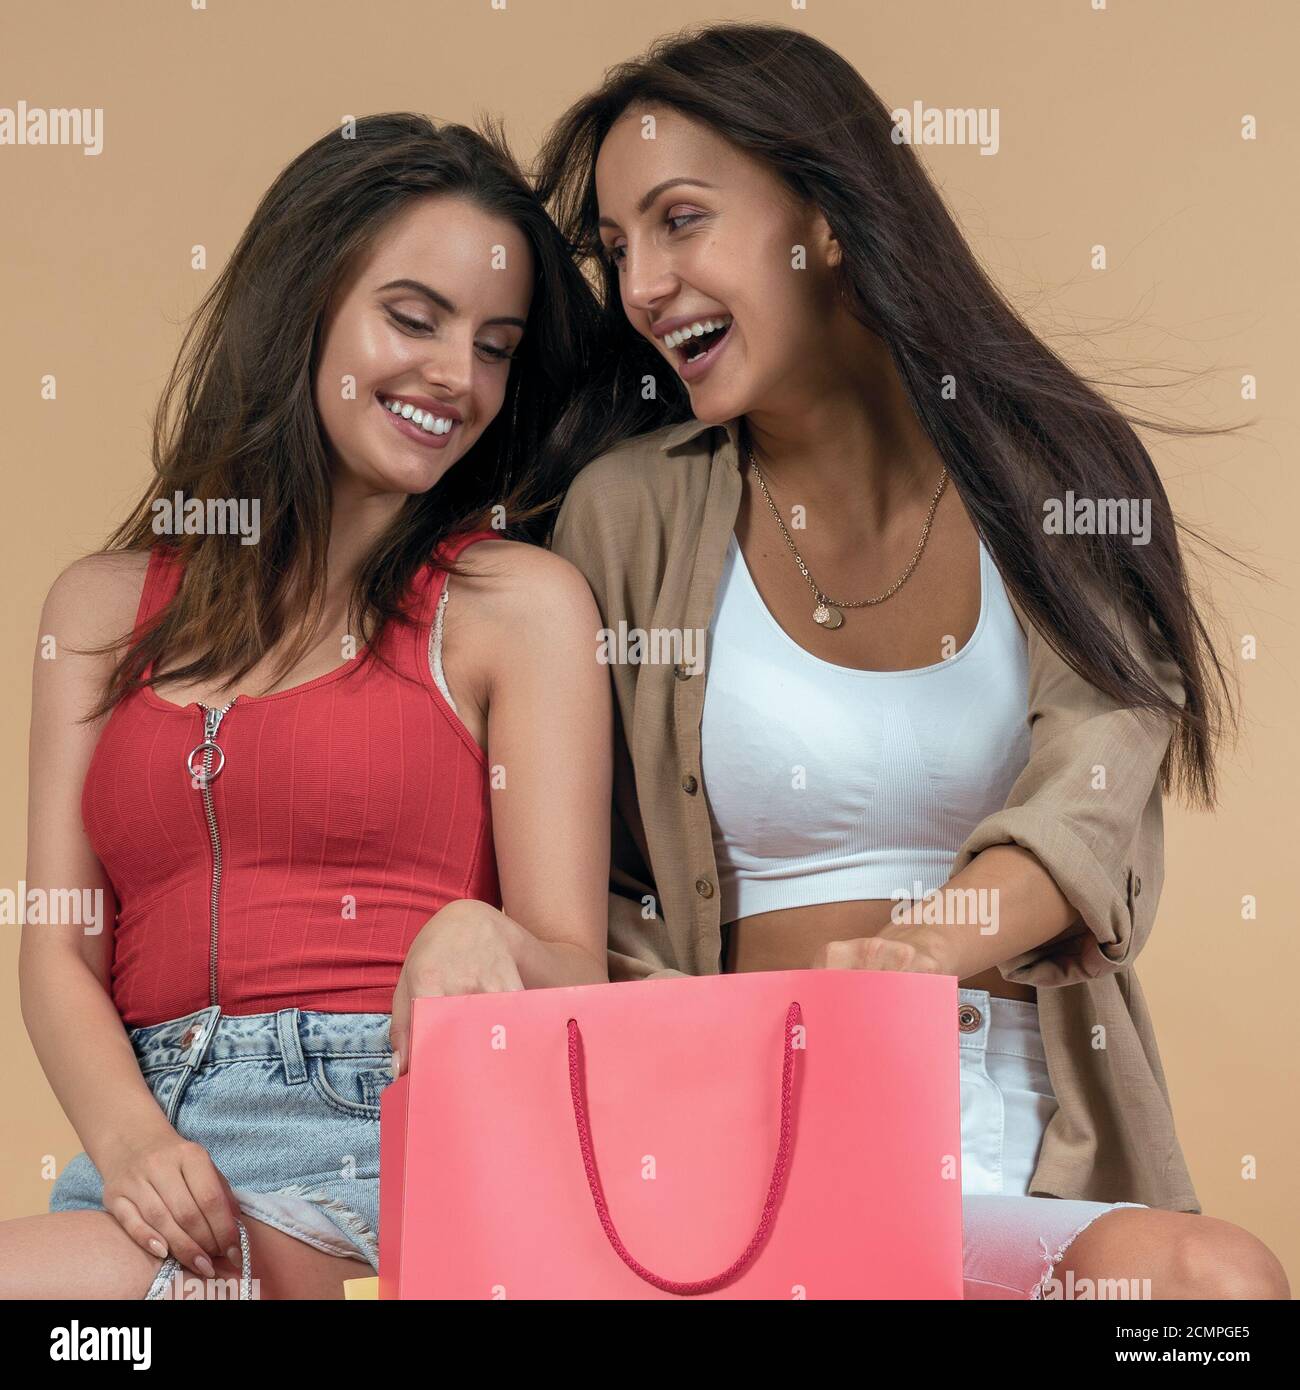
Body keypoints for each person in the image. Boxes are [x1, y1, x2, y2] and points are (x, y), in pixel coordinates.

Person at [538, 23, 1289, 1299]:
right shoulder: (626, 514)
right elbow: (584, 883)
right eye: (618, 253)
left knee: (1213, 1293)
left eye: (679, 222)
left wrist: (917, 950)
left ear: (826, 218)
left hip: (1033, 1142)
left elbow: (1091, 797)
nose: (646, 286)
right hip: (750, 1153)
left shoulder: (1061, 480)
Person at [9, 113, 612, 1300]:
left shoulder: (511, 606)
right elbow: (57, 944)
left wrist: (484, 935)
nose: (458, 377)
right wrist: (131, 1144)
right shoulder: (97, 610)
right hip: (145, 1153)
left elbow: (574, 971)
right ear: (303, 307)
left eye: (496, 346)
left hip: (378, 1138)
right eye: (412, 317)